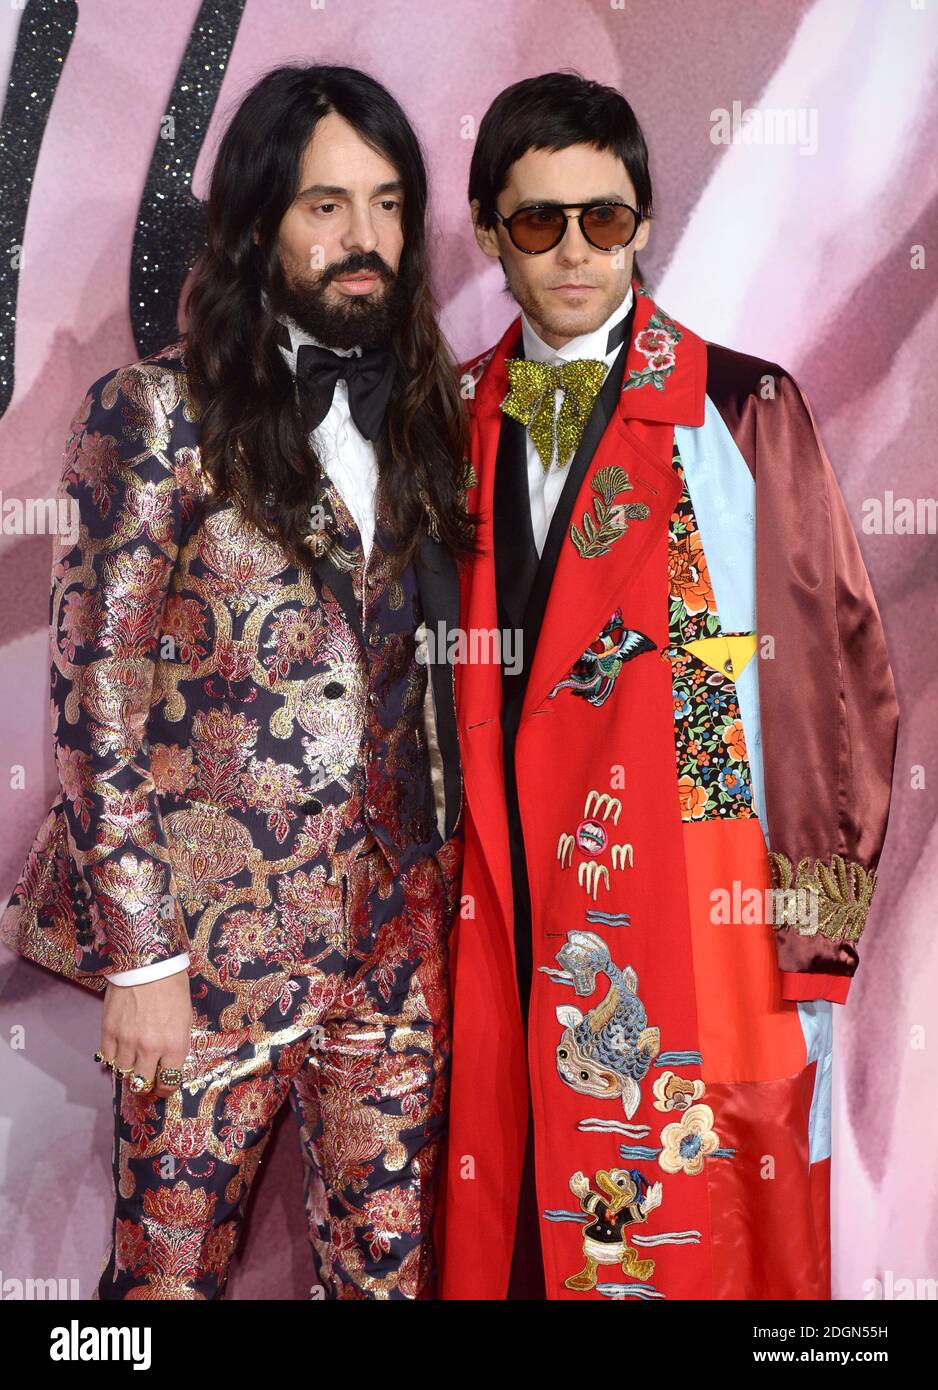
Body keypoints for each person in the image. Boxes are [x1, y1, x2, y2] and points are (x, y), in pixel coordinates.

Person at [0, 63, 473, 1300]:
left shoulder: (434, 410)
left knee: (386, 1279)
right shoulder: (153, 411)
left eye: (383, 203)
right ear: (259, 218)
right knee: (161, 1293)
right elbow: (91, 692)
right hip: (204, 963)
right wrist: (144, 959)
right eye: (324, 205)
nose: (361, 237)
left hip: (396, 943)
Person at [437, 71, 898, 1300]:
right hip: (501, 911)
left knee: (696, 1259)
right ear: (488, 230)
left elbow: (828, 683)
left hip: (703, 919)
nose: (575, 252)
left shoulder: (738, 410)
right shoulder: (450, 421)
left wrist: (809, 945)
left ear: (640, 219)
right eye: (538, 223)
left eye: (603, 217)